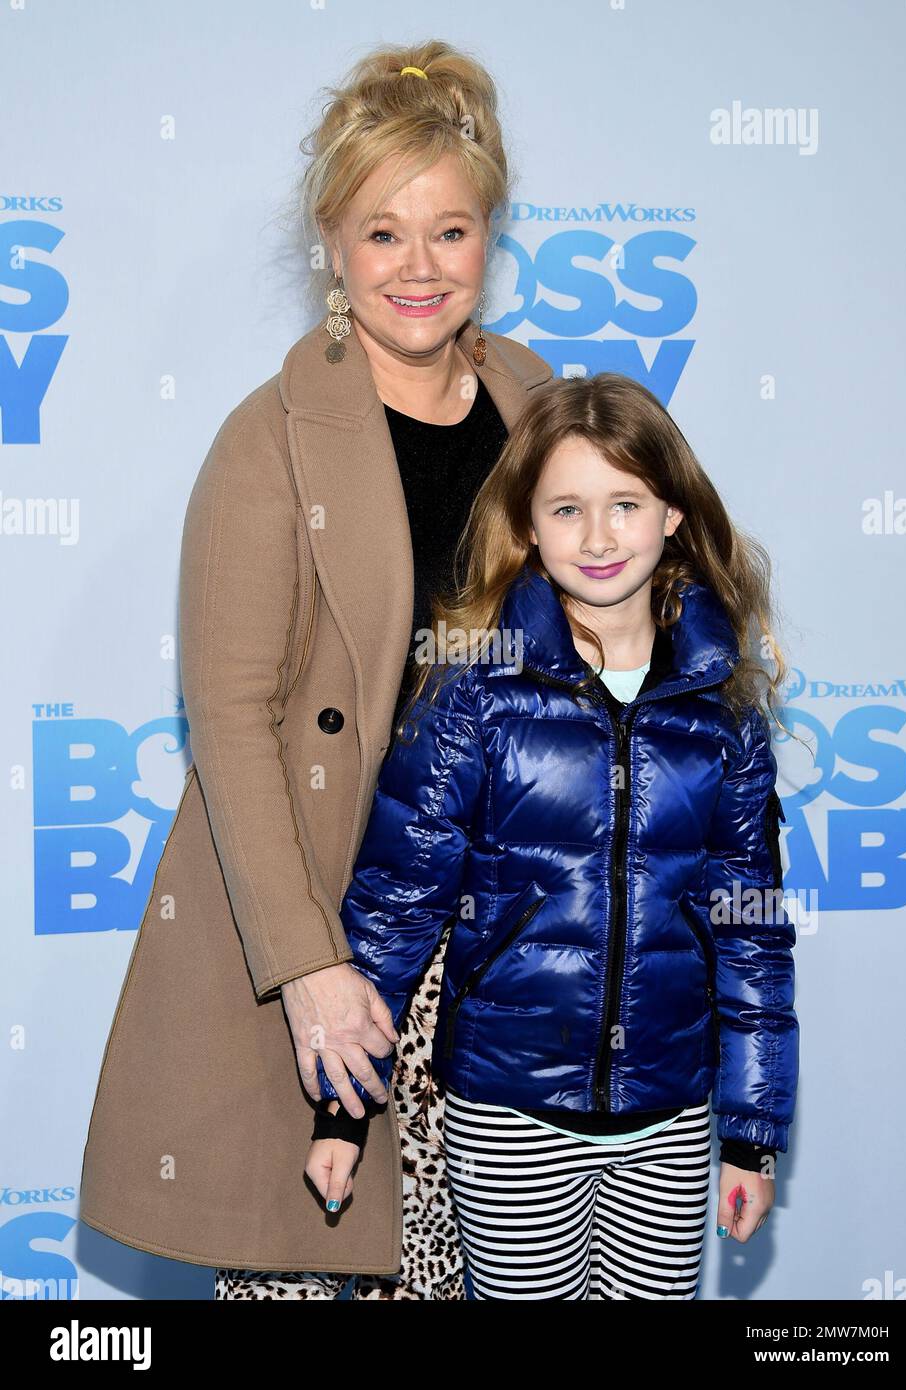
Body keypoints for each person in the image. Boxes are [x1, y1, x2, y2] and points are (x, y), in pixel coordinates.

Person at [78, 41, 553, 1299]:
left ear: (489, 238)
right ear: (330, 245)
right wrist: (310, 973)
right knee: (312, 1268)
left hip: (505, 929)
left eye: (448, 231)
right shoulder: (268, 439)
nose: (417, 267)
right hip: (337, 919)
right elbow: (229, 721)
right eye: (381, 232)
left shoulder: (536, 403)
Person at [307, 370, 801, 1300]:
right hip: (507, 1110)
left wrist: (752, 1131)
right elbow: (398, 902)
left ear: (673, 516)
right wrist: (341, 1108)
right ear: (528, 526)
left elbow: (752, 934)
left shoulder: (722, 706)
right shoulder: (474, 689)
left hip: (670, 1115)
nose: (600, 535)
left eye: (625, 504)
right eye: (567, 508)